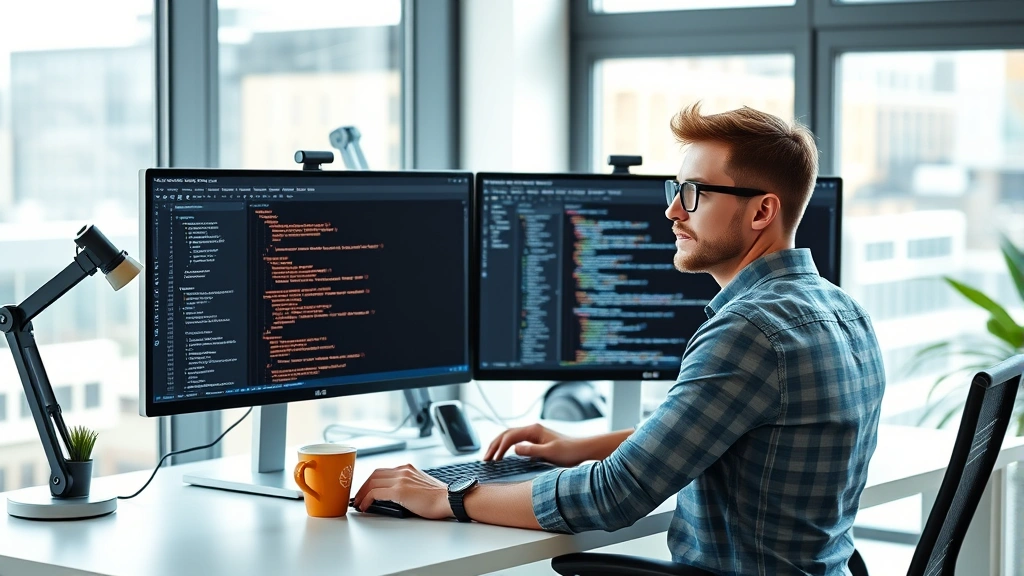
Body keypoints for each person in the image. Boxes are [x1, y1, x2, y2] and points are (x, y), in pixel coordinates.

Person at [353, 103, 886, 575]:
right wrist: (576, 446)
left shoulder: (749, 330)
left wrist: (449, 495)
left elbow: (612, 496)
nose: (673, 211)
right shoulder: (845, 312)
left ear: (762, 211)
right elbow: (715, 426)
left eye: (694, 193)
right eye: (675, 191)